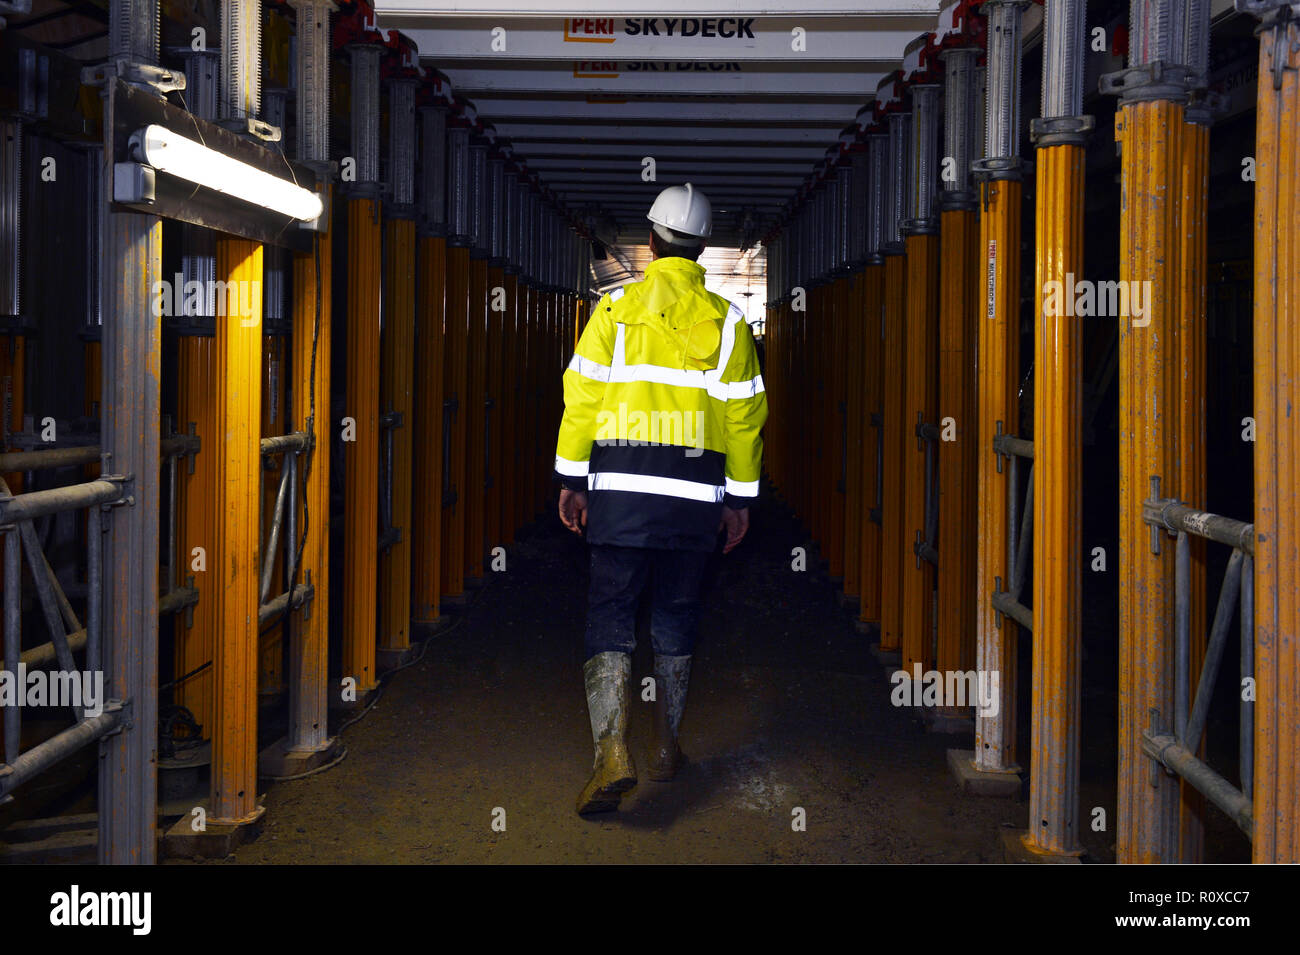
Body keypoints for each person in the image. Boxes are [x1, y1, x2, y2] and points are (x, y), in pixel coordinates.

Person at [553, 182, 769, 815]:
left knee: (611, 615)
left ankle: (611, 751)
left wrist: (571, 481)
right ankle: (668, 744)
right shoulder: (729, 323)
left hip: (619, 495)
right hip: (694, 501)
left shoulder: (613, 314)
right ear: (700, 249)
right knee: (676, 614)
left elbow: (582, 399)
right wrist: (740, 500)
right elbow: (745, 419)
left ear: (650, 242)